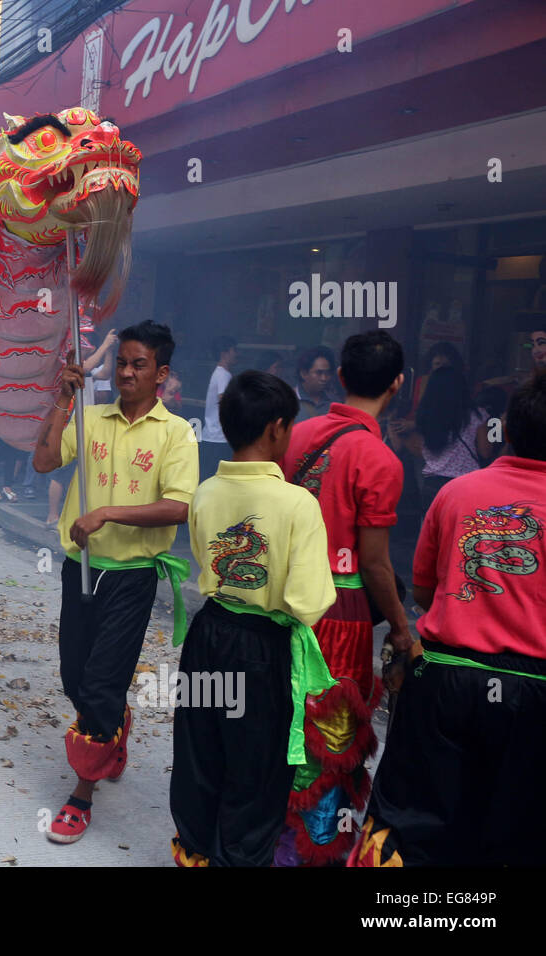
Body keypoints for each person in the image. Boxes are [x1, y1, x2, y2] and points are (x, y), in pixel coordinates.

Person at [350, 371, 546, 867]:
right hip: (530, 690)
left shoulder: (457, 492)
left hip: (444, 680)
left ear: (510, 430)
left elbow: (423, 590)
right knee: (514, 831)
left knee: (415, 825)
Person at [32, 320, 198, 844]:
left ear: (161, 374)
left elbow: (178, 506)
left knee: (101, 683)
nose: (125, 372)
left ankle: (81, 793)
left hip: (132, 576)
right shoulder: (90, 417)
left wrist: (107, 513)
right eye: (121, 362)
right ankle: (114, 723)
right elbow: (42, 461)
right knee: (74, 675)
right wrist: (62, 397)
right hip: (79, 567)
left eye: (138, 364)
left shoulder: (176, 432)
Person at [170, 370, 336, 867]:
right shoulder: (297, 503)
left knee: (202, 754)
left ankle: (196, 851)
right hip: (263, 649)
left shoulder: (204, 492)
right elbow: (308, 602)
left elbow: (203, 555)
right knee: (257, 769)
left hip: (209, 633)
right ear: (276, 428)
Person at [276, 330, 411, 866]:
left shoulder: (296, 434)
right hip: (342, 613)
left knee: (285, 720)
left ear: (339, 376)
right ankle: (311, 852)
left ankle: (270, 840)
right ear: (398, 384)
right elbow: (375, 563)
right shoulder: (379, 459)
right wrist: (401, 627)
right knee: (331, 734)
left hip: (285, 602)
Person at [413, 364, 493, 511]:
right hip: (464, 485)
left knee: (433, 532)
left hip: (432, 486)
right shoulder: (477, 415)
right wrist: (500, 427)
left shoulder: (425, 415)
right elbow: (485, 451)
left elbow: (419, 449)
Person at [199, 335, 237, 480]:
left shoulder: (220, 373)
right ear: (224, 353)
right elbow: (223, 400)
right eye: (234, 350)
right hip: (218, 437)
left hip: (213, 436)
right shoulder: (223, 375)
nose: (236, 354)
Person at [294, 345, 336, 422]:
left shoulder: (334, 402)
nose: (324, 378)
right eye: (319, 373)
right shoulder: (289, 400)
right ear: (304, 374)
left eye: (327, 373)